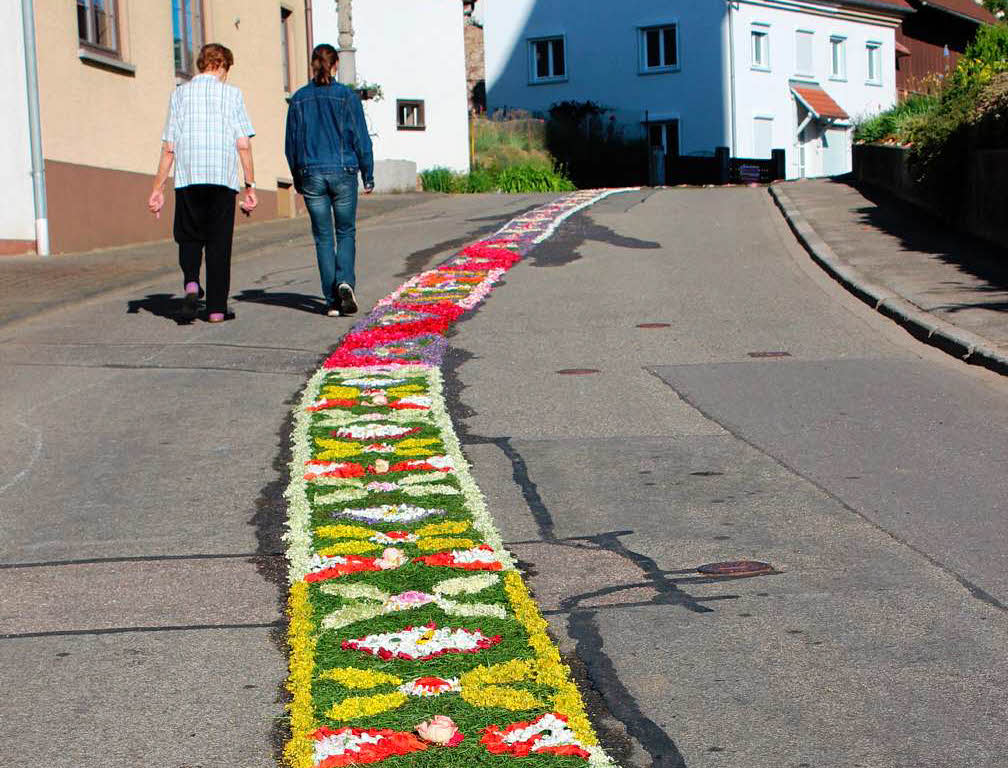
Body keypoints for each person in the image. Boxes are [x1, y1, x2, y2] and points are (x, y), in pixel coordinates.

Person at [148, 43, 258, 323]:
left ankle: (191, 283)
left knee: (189, 235)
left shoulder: (179, 95)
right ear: (221, 66)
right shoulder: (232, 95)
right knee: (219, 243)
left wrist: (157, 188)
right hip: (222, 178)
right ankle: (217, 309)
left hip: (189, 178)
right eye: (227, 71)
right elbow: (243, 143)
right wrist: (250, 185)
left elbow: (169, 147)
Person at [285, 43, 374, 317]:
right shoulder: (347, 98)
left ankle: (331, 301)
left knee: (323, 237)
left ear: (313, 65)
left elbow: (291, 145)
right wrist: (367, 174)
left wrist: (298, 178)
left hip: (311, 173)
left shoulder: (298, 100)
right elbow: (361, 138)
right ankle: (345, 281)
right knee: (345, 231)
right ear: (335, 65)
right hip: (344, 171)